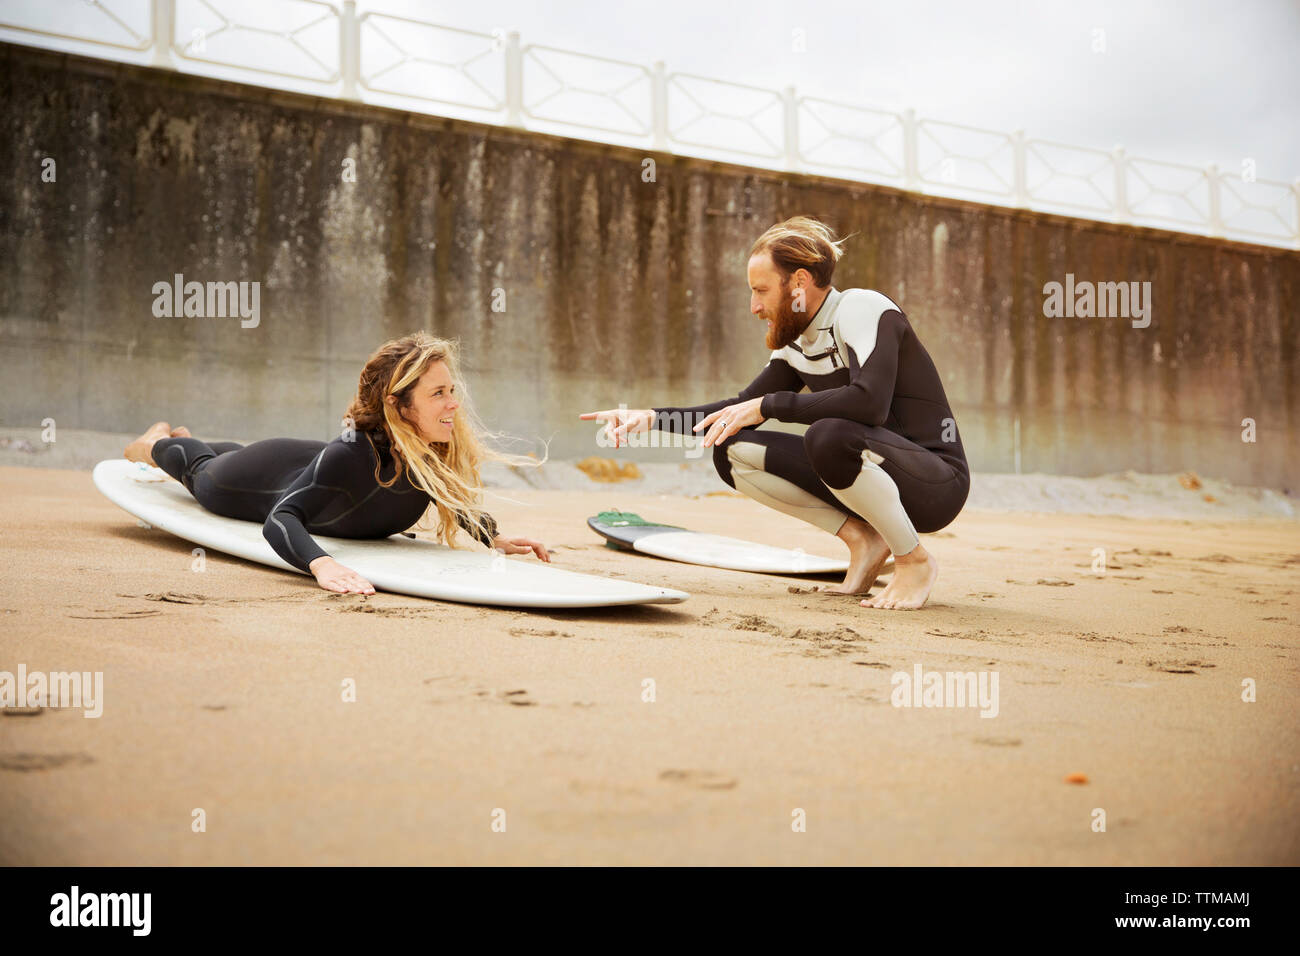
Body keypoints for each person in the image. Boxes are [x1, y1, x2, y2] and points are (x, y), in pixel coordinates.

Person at [581, 217, 968, 610]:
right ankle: (864, 539)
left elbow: (870, 403)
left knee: (830, 435)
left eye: (761, 291)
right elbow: (738, 410)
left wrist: (771, 405)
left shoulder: (863, 307)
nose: (754, 307)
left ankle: (913, 559)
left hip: (935, 483)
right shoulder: (796, 345)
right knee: (730, 445)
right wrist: (651, 418)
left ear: (798, 282)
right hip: (870, 471)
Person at [124, 332, 549, 595]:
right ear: (397, 404)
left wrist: (492, 536)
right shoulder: (351, 454)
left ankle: (207, 444)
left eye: (450, 390)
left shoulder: (427, 452)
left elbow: (447, 497)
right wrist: (321, 564)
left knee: (236, 453)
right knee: (204, 474)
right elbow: (281, 518)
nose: (453, 403)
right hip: (257, 480)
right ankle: (157, 442)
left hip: (296, 461)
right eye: (437, 393)